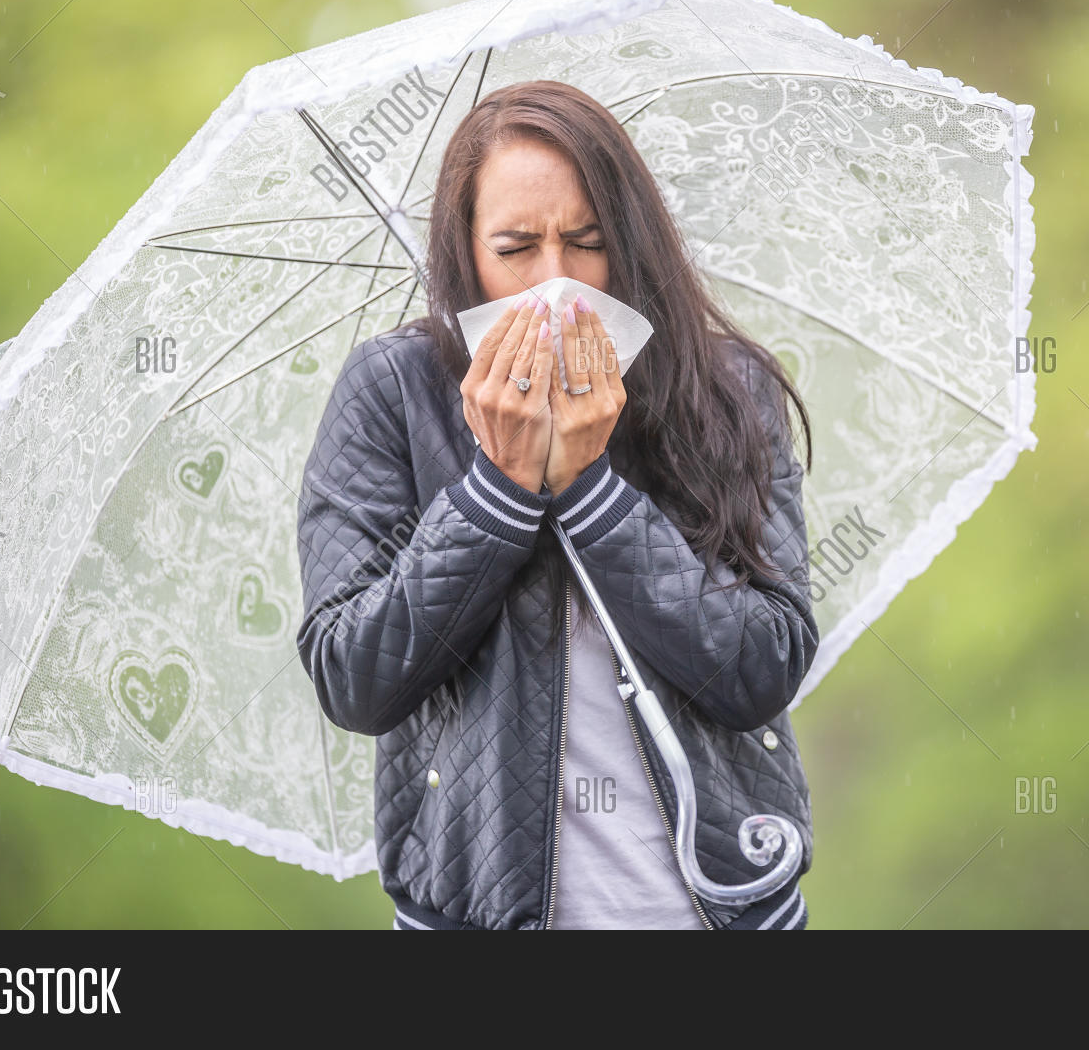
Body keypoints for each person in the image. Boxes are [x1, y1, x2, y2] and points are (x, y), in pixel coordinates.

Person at [295, 79, 818, 929]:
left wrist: (591, 488)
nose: (557, 283)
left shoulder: (726, 392)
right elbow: (353, 677)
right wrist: (498, 491)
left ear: (632, 244)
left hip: (722, 912)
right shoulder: (391, 395)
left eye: (586, 242)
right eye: (516, 247)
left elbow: (764, 666)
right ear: (465, 255)